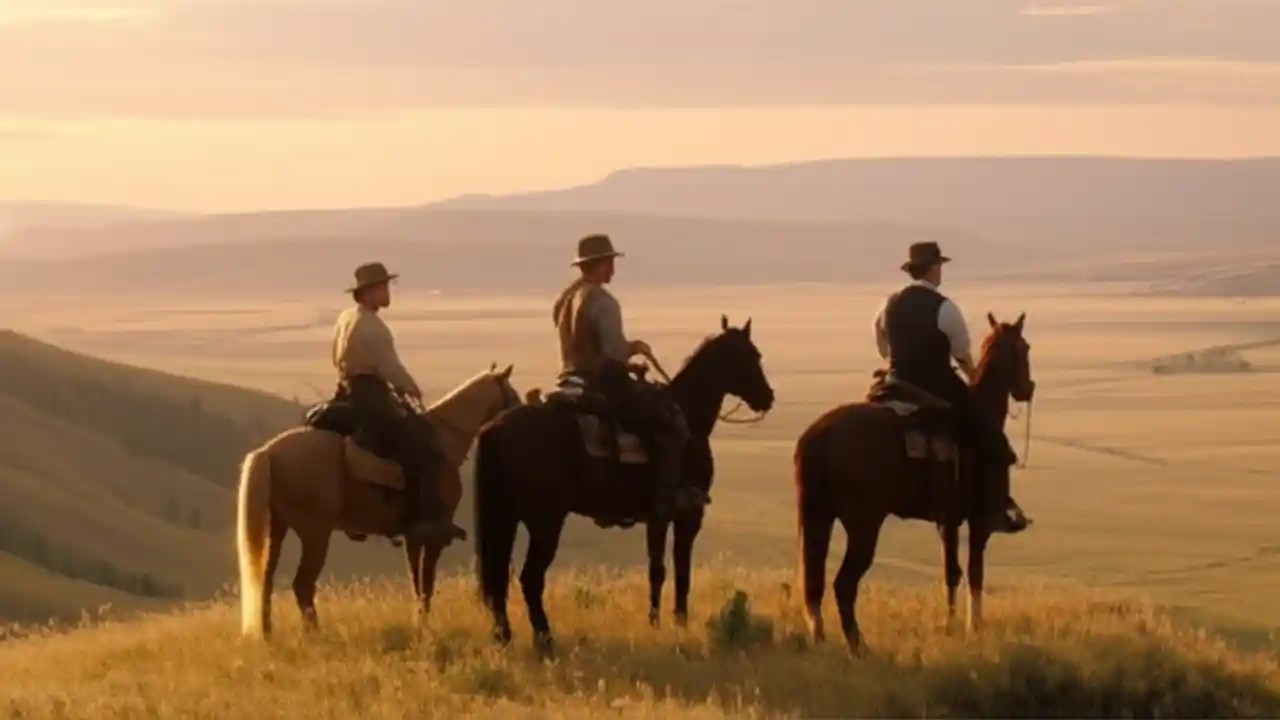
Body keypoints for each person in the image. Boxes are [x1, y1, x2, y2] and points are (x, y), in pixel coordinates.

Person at [872, 242, 1030, 533]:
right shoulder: (945, 308)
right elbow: (961, 354)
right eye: (939, 266)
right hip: (935, 386)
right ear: (934, 268)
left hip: (896, 383)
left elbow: (883, 348)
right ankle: (997, 508)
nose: (940, 271)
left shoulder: (888, 304)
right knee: (992, 439)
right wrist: (973, 379)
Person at [552, 234, 697, 520]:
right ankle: (665, 497)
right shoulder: (603, 302)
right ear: (597, 264)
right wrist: (635, 348)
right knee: (668, 419)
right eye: (608, 263)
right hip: (599, 382)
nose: (612, 269)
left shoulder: (568, 298)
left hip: (569, 380)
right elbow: (613, 352)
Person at [332, 261, 465, 543]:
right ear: (370, 292)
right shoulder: (374, 328)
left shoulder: (346, 318)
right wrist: (412, 389)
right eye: (384, 287)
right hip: (372, 397)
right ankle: (423, 521)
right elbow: (390, 368)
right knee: (426, 450)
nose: (387, 292)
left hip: (347, 392)